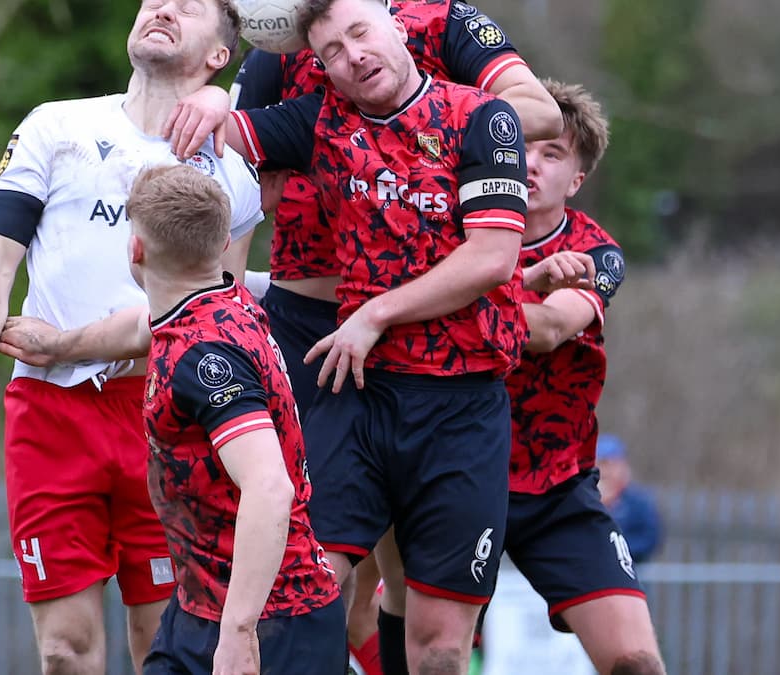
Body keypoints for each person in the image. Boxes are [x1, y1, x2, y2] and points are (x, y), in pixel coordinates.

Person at [0, 0, 263, 670]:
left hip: (165, 418)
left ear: (219, 54)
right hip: (52, 414)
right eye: (152, 0)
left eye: (186, 7)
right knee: (65, 650)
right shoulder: (57, 127)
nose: (161, 8)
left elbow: (209, 316)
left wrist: (72, 341)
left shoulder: (234, 176)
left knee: (160, 646)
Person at [221, 6, 563, 672]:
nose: (352, 54)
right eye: (332, 50)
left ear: (396, 26)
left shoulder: (475, 99)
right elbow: (219, 152)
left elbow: (496, 250)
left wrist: (441, 137)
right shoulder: (317, 112)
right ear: (317, 63)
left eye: (361, 34)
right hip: (344, 370)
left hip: (459, 393)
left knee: (436, 638)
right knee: (307, 582)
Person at [127, 164, 344, 674]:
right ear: (224, 243)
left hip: (273, 620)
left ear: (135, 249)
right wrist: (58, 345)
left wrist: (239, 630)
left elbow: (270, 486)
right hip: (199, 604)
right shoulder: (224, 300)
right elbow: (139, 326)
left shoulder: (205, 356)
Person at [498, 80, 665, 675]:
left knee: (636, 662)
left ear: (576, 180)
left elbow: (542, 331)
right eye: (521, 145)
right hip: (458, 475)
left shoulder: (596, 253)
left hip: (556, 484)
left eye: (552, 154)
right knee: (430, 651)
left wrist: (454, 302)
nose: (529, 163)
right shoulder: (455, 232)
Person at [596, 434, 663, 564]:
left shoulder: (638, 502)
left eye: (612, 464)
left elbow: (649, 539)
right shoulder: (585, 499)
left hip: (632, 571)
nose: (606, 471)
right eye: (601, 464)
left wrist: (615, 551)